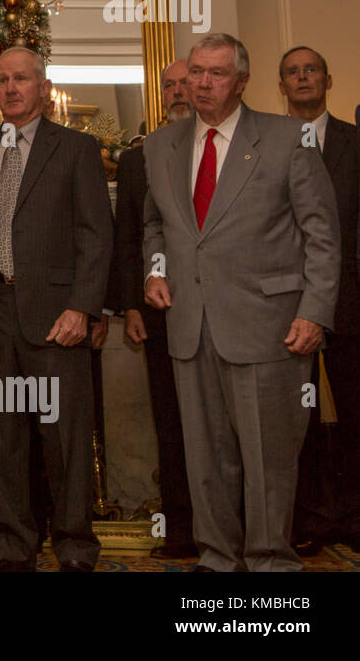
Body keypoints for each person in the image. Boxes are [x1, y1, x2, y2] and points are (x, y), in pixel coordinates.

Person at [143, 33, 339, 571]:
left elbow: (322, 233)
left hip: (270, 327)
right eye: (195, 73)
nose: (201, 84)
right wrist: (155, 273)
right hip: (189, 326)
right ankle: (217, 558)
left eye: (216, 74)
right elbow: (154, 224)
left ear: (243, 81)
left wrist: (314, 311)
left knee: (267, 460)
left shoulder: (287, 137)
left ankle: (271, 561)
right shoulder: (161, 146)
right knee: (205, 458)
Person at [0, 47, 113, 571]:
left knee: (65, 439)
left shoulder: (78, 149)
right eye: (2, 81)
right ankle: (12, 546)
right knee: (0, 437)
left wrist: (83, 307)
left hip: (57, 316)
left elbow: (96, 236)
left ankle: (76, 548)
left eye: (21, 79)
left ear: (43, 86)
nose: (11, 88)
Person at [106, 59, 198, 559]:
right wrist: (129, 306)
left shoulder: (229, 150)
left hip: (226, 313)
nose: (180, 90)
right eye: (170, 84)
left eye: (188, 81)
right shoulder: (136, 158)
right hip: (160, 314)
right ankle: (182, 532)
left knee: (226, 426)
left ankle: (238, 530)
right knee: (173, 424)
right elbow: (127, 237)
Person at [277, 46, 360, 554]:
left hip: (352, 301)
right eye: (293, 72)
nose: (303, 77)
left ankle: (353, 518)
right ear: (280, 85)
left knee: (354, 413)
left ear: (328, 79)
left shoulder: (355, 142)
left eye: (311, 70)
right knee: (295, 420)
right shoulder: (264, 142)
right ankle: (305, 520)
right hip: (285, 303)